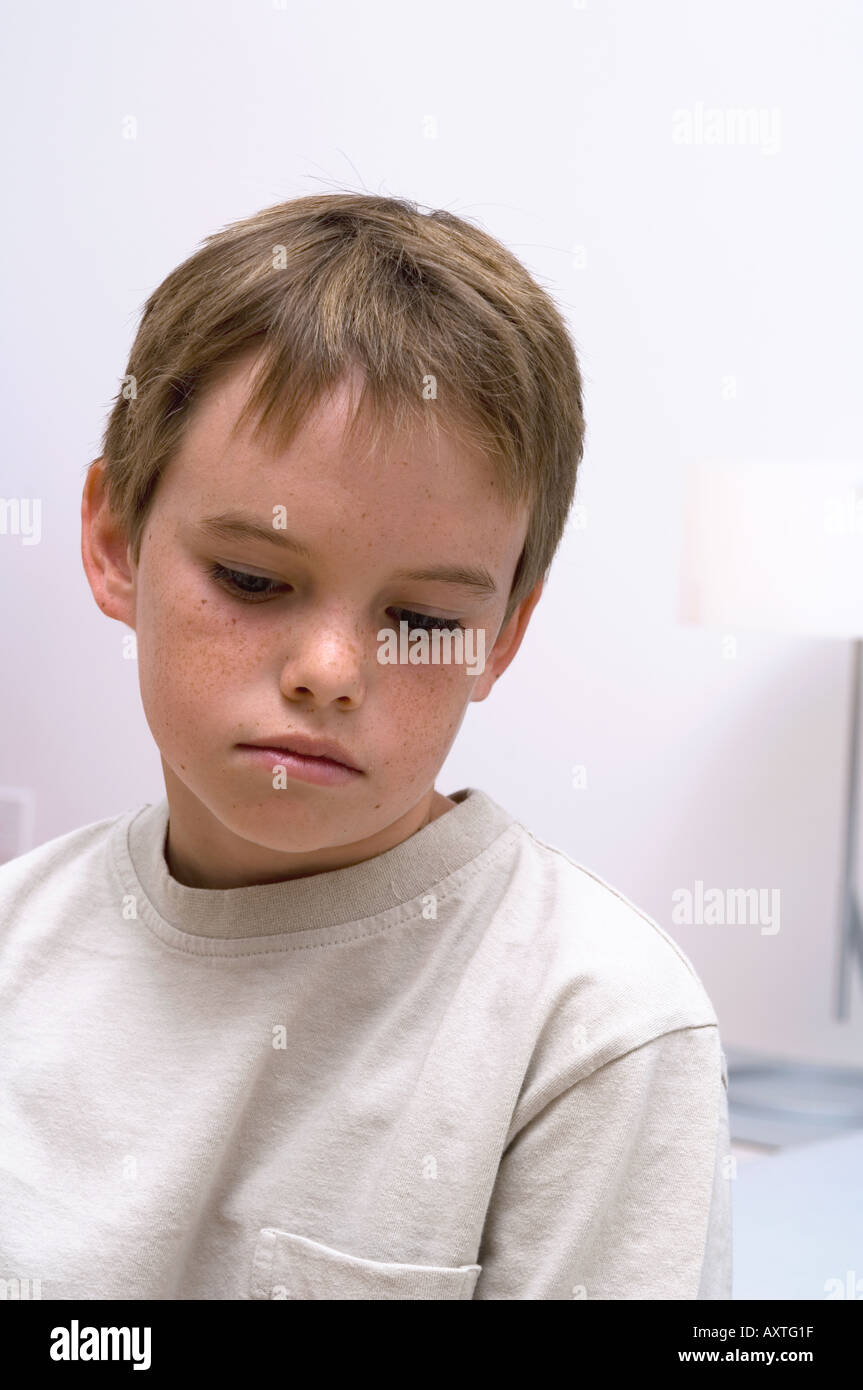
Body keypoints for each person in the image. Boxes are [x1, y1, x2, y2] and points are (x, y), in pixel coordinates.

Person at [0, 192, 731, 1299]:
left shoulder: (591, 1027)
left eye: (423, 620)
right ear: (114, 542)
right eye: (252, 579)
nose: (331, 670)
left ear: (499, 637)